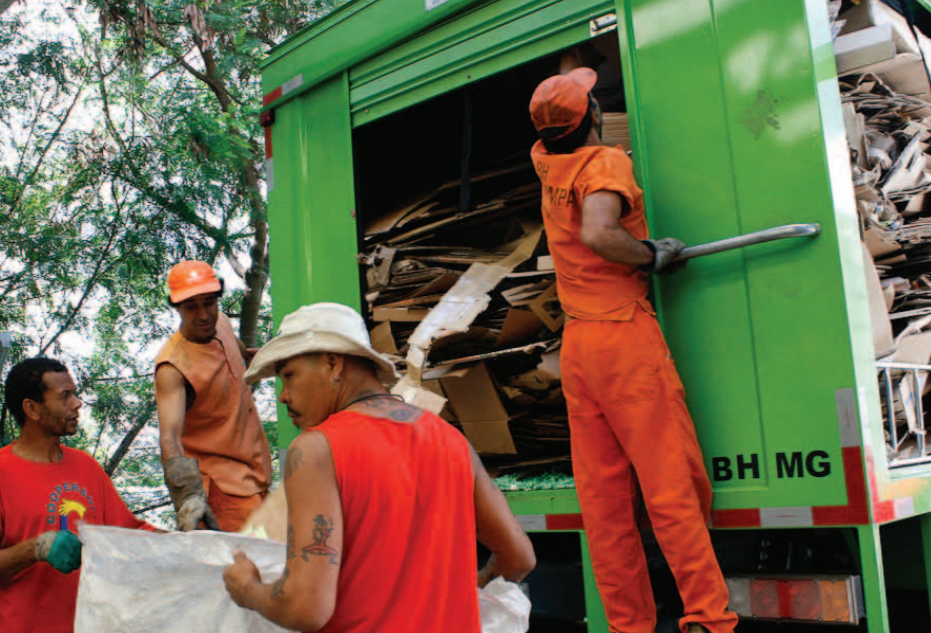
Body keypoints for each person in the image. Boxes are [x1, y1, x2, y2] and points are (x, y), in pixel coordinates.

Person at [528, 68, 738, 633]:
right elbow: (599, 232)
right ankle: (710, 620)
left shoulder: (544, 160)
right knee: (672, 486)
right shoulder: (603, 163)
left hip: (579, 346)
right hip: (623, 337)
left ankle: (630, 627)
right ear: (592, 116)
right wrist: (651, 254)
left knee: (605, 506)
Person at [222, 302, 536, 632]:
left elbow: (306, 608)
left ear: (333, 364)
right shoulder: (450, 439)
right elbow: (519, 558)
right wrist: (472, 590)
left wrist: (248, 590)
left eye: (289, 375)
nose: (283, 396)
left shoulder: (317, 449)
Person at [0, 357, 158, 633]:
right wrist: (35, 549)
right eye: (65, 396)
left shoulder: (86, 467)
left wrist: (193, 540)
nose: (77, 403)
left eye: (74, 394)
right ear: (32, 408)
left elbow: (131, 535)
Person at [154, 260, 272, 532]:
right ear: (176, 307)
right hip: (223, 489)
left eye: (209, 302)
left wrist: (289, 359)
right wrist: (188, 498)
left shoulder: (223, 326)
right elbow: (169, 438)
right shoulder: (173, 368)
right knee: (251, 569)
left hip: (255, 474)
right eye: (191, 306)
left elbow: (244, 357)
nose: (203, 314)